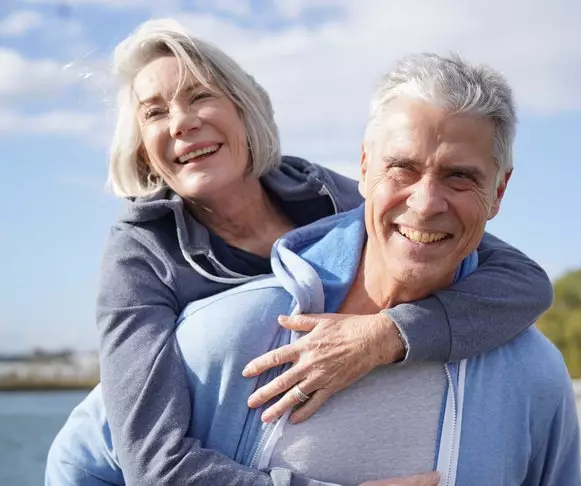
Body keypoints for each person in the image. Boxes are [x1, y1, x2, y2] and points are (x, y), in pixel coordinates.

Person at [46, 19, 554, 486]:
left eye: (198, 96)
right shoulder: (137, 255)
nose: (180, 122)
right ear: (141, 146)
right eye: (154, 112)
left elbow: (521, 279)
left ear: (244, 110)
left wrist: (384, 336)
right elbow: (151, 462)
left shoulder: (325, 195)